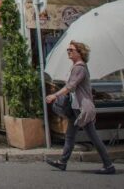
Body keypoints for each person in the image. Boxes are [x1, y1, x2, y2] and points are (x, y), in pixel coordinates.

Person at [45, 41, 115, 175]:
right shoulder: (75, 67)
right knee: (70, 136)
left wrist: (54, 95)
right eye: (68, 50)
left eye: (71, 50)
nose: (69, 52)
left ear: (79, 52)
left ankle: (108, 165)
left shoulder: (80, 68)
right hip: (75, 107)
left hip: (82, 108)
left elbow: (70, 87)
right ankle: (63, 162)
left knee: (93, 137)